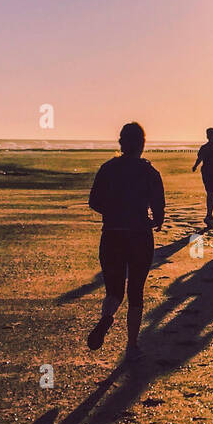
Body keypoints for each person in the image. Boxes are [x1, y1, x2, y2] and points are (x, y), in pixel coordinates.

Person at [87, 123, 165, 359]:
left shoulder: (108, 168)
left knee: (114, 290)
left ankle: (107, 317)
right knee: (136, 291)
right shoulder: (149, 171)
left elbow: (94, 201)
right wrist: (157, 220)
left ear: (121, 143)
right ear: (142, 144)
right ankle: (131, 345)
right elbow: (158, 203)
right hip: (140, 234)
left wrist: (112, 212)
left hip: (112, 234)